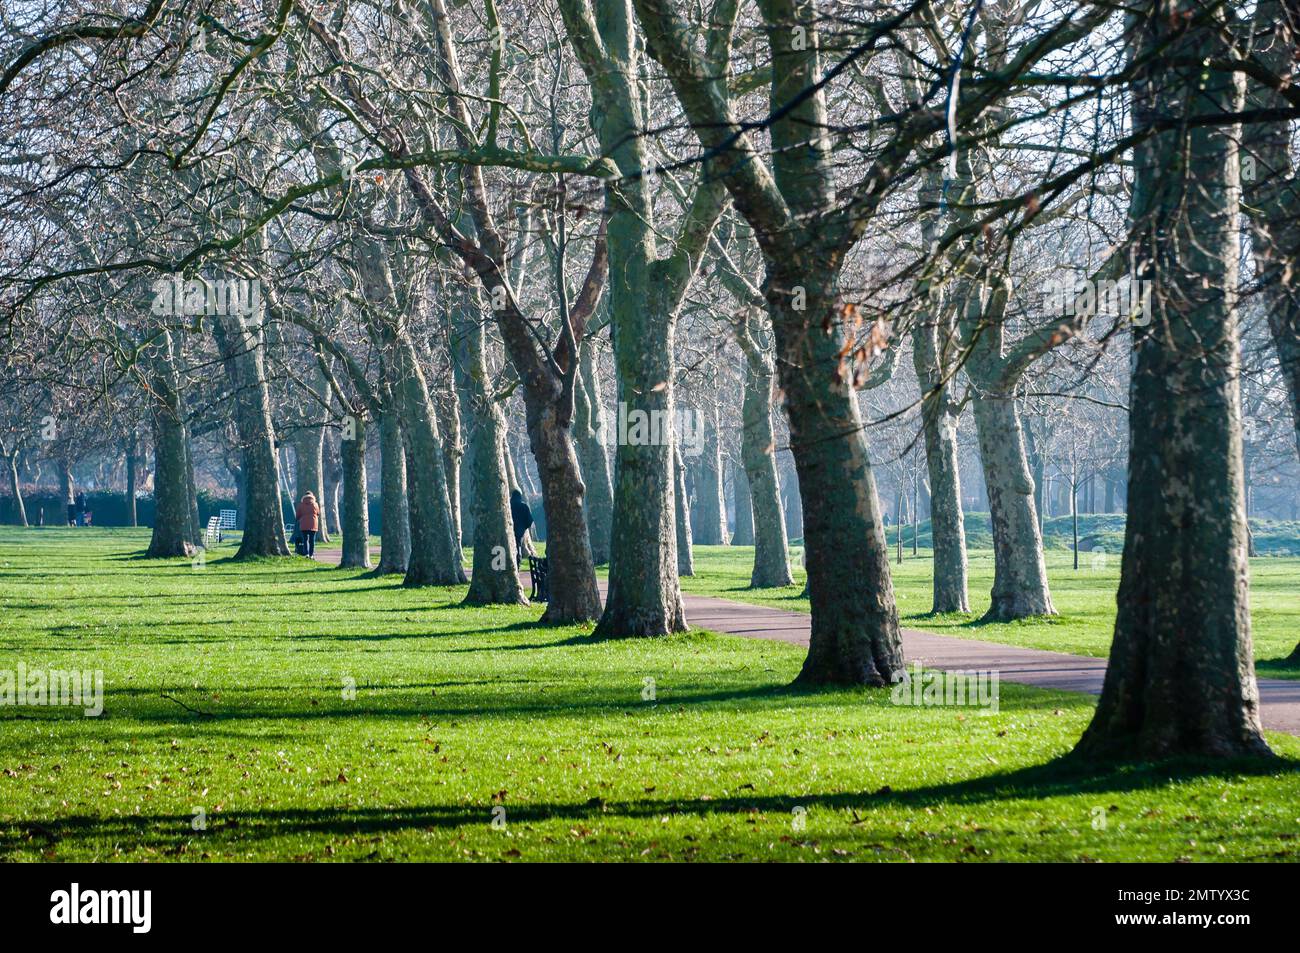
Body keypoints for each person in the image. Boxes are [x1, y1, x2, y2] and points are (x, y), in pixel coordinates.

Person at [510, 489, 534, 557]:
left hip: (511, 529)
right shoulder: (524, 506)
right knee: (518, 545)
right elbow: (530, 520)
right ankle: (518, 559)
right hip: (520, 530)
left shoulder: (509, 506)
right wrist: (524, 527)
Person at [295, 491, 320, 557]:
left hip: (304, 524)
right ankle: (311, 554)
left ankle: (306, 553)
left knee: (305, 539)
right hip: (313, 523)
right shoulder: (315, 504)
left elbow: (298, 515)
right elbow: (318, 513)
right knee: (312, 540)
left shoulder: (301, 504)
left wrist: (298, 519)